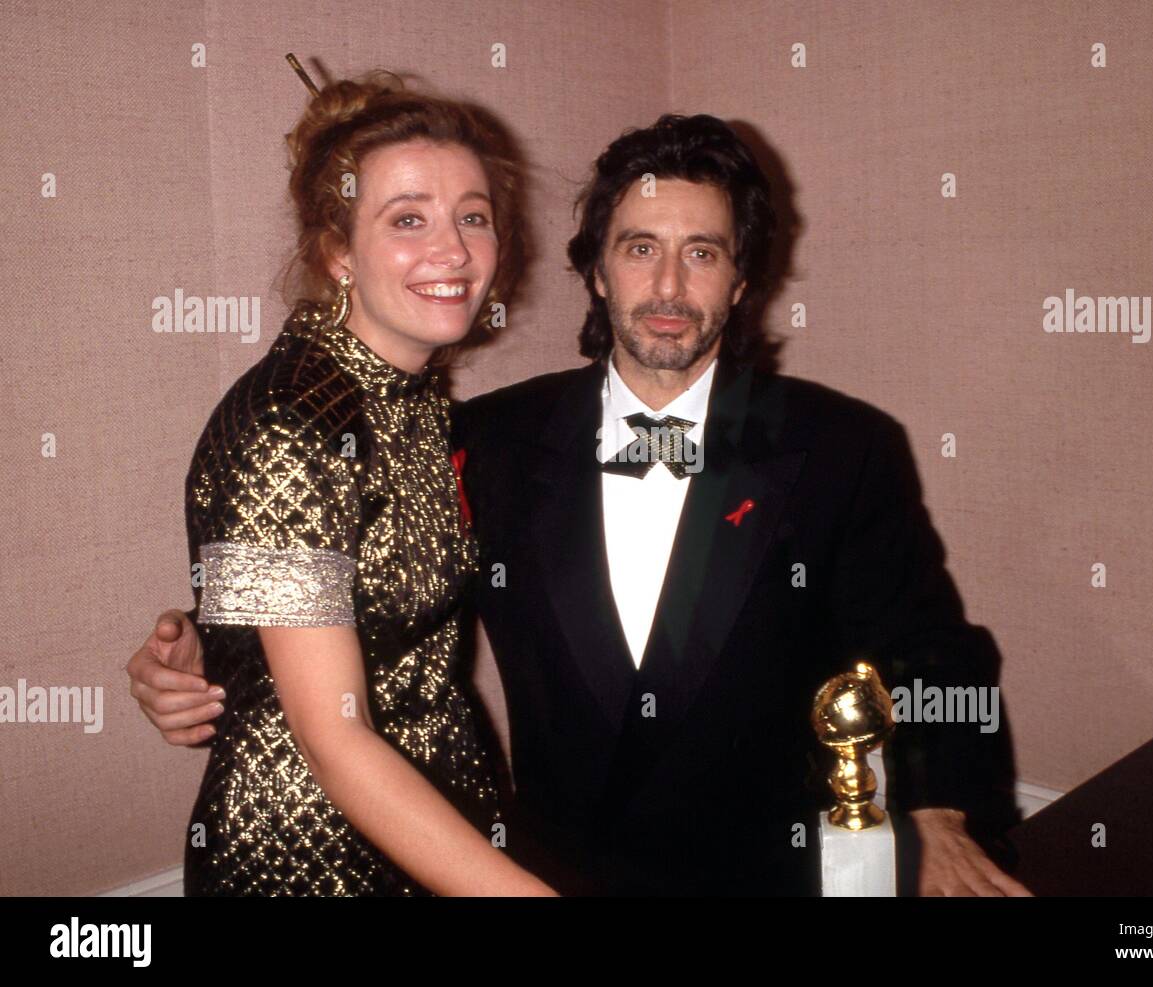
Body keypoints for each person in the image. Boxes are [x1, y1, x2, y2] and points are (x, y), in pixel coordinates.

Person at [131, 111, 1030, 896]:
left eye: (703, 253)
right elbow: (367, 585)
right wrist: (206, 652)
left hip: (765, 873)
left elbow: (934, 651)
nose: (670, 288)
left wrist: (940, 808)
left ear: (742, 282)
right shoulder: (486, 438)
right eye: (640, 249)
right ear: (596, 271)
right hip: (543, 870)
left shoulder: (843, 447)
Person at [162, 67, 553, 896]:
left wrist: (200, 633)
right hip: (310, 858)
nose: (453, 251)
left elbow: (297, 590)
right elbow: (331, 737)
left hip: (433, 827)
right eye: (407, 218)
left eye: (472, 217)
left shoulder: (413, 400)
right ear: (337, 251)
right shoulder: (291, 418)